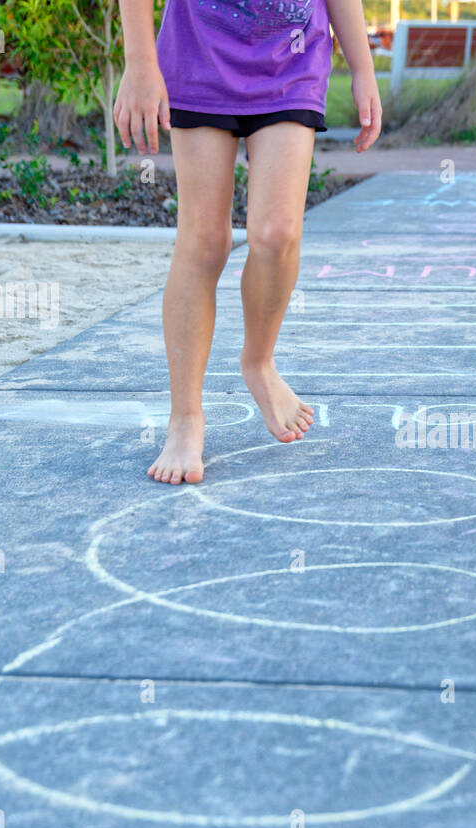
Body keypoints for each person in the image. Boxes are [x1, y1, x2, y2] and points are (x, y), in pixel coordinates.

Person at [114, 0, 382, 484]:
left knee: (276, 233)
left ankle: (258, 361)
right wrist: (139, 62)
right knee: (205, 241)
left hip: (292, 59)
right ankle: (185, 419)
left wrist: (362, 66)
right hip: (199, 55)